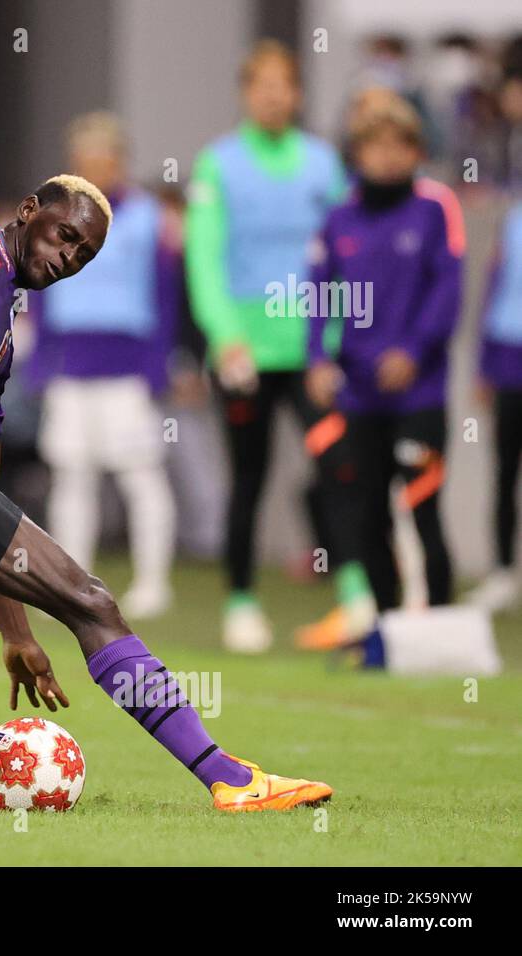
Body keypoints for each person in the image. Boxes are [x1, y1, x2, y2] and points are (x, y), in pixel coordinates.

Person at [0, 158, 333, 811]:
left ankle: (228, 778)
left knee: (91, 602)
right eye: (65, 236)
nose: (69, 257)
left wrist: (17, 633)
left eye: (83, 254)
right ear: (30, 209)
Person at [186, 40, 361, 652]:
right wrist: (226, 337)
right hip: (246, 355)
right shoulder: (218, 164)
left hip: (313, 352)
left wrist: (333, 343)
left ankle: (356, 595)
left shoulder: (323, 164)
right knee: (250, 477)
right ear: (246, 92)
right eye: (262, 84)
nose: (273, 95)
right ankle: (241, 601)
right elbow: (204, 260)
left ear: (298, 92)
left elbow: (345, 254)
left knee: (340, 468)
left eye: (283, 84)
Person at [303, 95, 463, 636]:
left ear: (416, 151)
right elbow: (318, 295)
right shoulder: (339, 218)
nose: (389, 156)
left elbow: (447, 289)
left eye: (401, 145)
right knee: (365, 513)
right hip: (360, 396)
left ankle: (438, 629)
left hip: (420, 395)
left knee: (421, 506)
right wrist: (318, 360)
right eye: (376, 145)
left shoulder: (435, 209)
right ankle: (390, 630)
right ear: (359, 153)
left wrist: (414, 351)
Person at [29, 112, 179, 620]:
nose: (96, 166)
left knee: (141, 474)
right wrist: (41, 361)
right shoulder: (52, 214)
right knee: (72, 476)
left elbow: (165, 295)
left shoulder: (146, 218)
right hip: (71, 363)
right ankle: (73, 580)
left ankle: (153, 583)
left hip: (126, 364)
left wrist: (160, 365)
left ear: (120, 160)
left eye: (104, 157)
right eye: (85, 159)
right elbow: (41, 284)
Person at [467, 195, 522, 612]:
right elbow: (494, 285)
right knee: (506, 471)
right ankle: (502, 571)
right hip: (509, 359)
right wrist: (484, 365)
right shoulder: (513, 218)